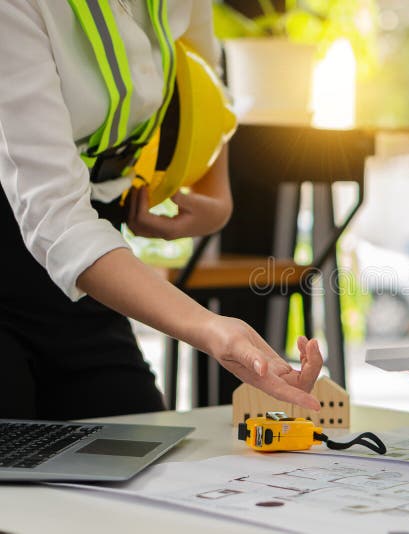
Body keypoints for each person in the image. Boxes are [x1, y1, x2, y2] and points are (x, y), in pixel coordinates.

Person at [0, 0, 322, 420]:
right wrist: (209, 328)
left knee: (144, 457)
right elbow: (56, 220)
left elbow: (208, 87)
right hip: (32, 236)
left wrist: (217, 199)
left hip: (94, 268)